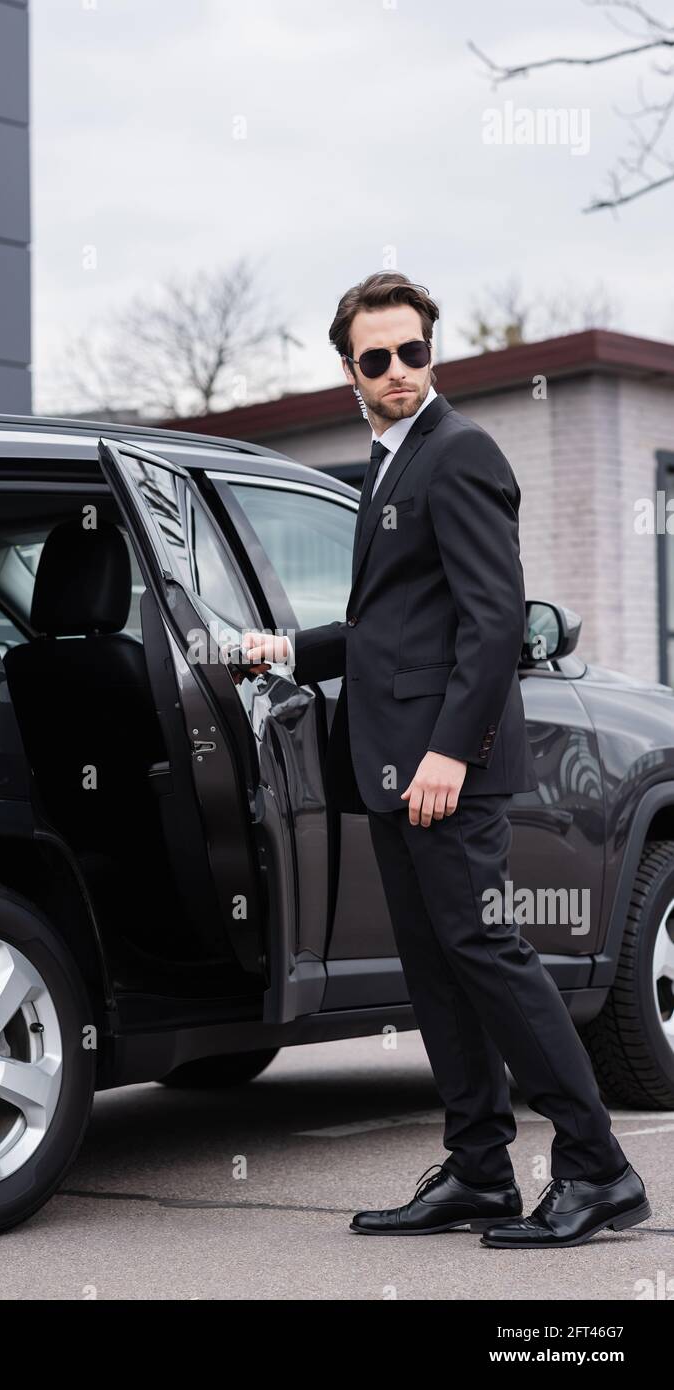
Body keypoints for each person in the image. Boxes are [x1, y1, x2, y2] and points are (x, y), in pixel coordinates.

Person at [239, 271, 650, 1249]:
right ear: (350, 369)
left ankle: (598, 1168)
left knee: (488, 953)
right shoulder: (386, 462)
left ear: (433, 350)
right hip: (392, 763)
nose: (398, 371)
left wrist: (450, 755)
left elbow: (493, 619)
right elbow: (392, 625)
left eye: (412, 351)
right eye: (376, 357)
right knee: (436, 968)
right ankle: (478, 1169)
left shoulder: (459, 452)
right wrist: (292, 650)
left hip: (441, 767)